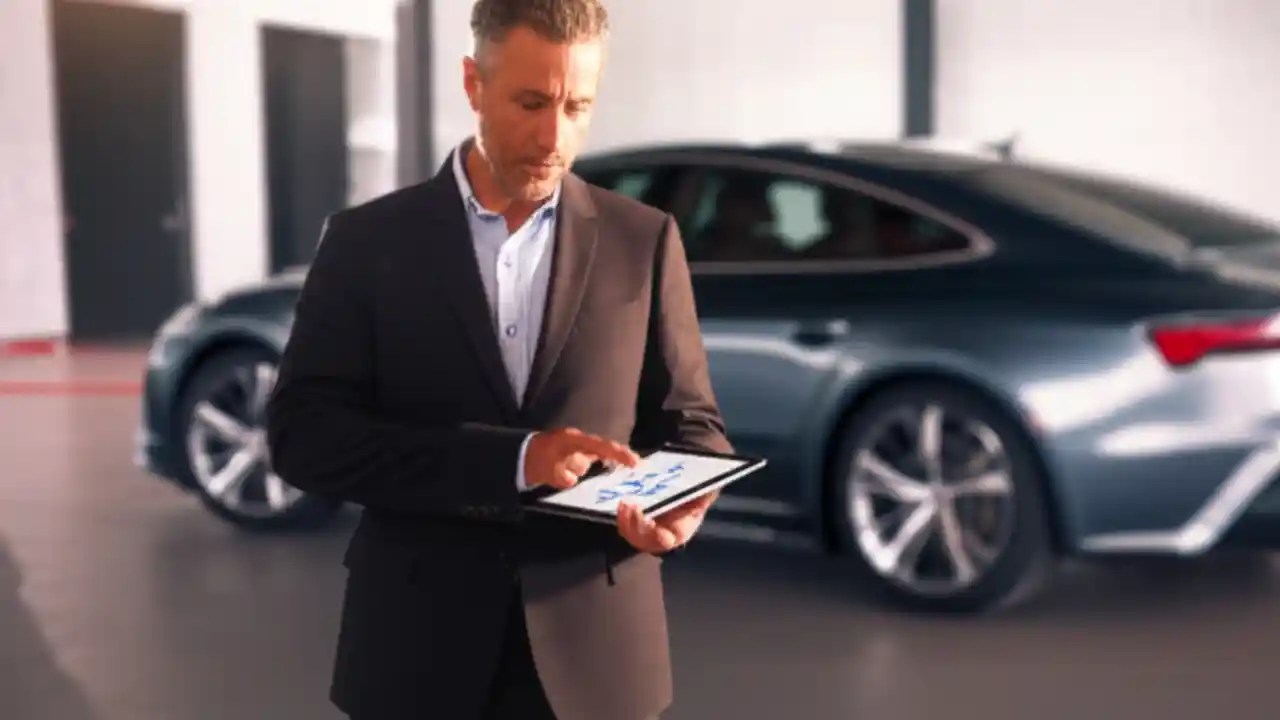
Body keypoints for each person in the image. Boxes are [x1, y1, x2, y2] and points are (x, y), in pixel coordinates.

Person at [264, 1, 733, 718]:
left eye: (578, 106)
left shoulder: (644, 240)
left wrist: (682, 503)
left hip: (598, 662)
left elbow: (692, 425)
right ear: (472, 83)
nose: (555, 137)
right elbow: (305, 439)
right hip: (414, 654)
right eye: (531, 102)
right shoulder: (366, 243)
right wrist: (515, 464)